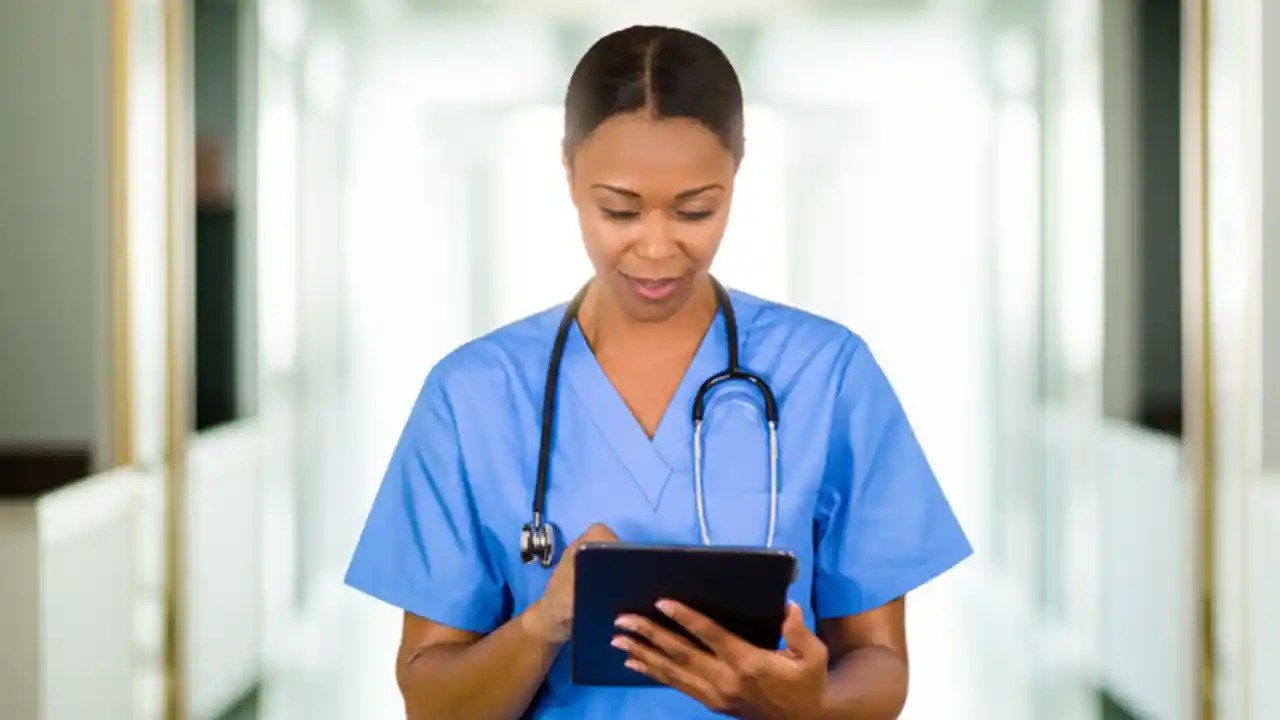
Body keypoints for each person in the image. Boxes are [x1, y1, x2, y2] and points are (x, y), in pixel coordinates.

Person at [344, 24, 972, 720]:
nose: (655, 246)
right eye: (617, 208)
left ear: (737, 173)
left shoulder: (827, 375)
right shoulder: (473, 397)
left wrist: (809, 706)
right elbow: (433, 704)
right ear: (567, 171)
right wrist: (541, 627)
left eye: (697, 209)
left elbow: (882, 669)